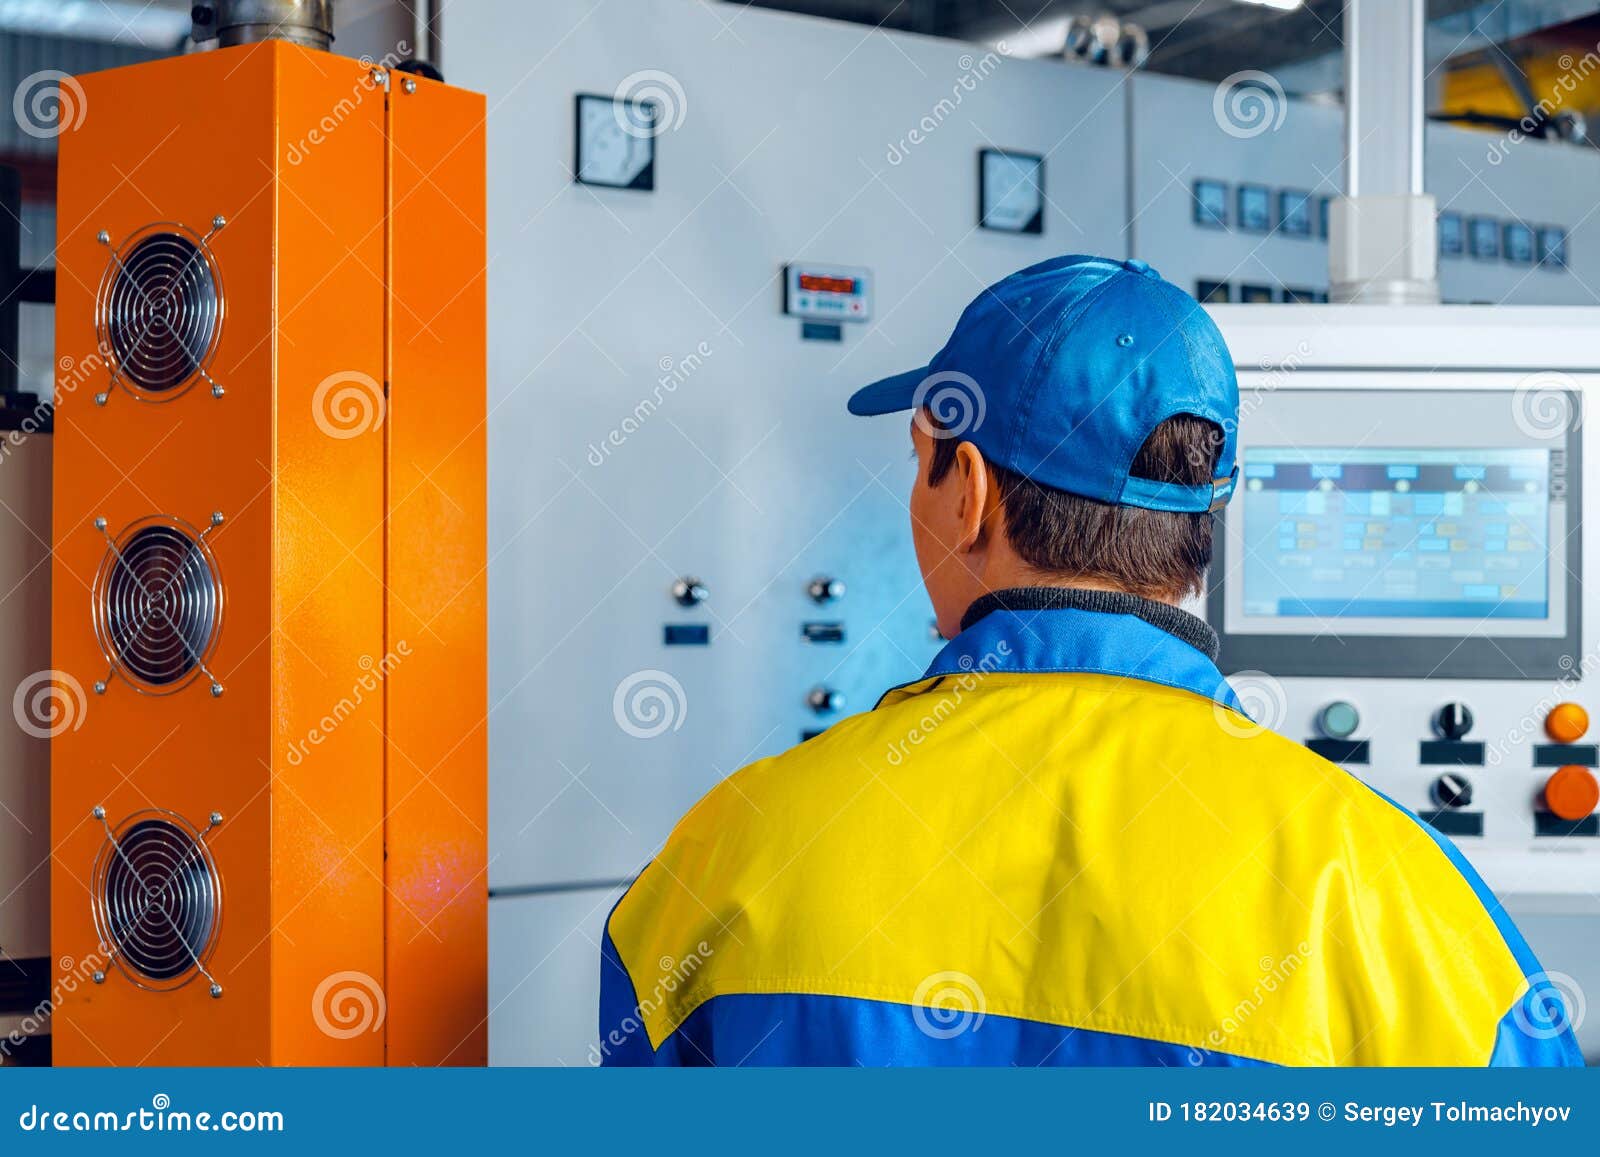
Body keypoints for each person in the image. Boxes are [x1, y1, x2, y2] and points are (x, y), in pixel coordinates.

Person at [598, 255, 1582, 1067]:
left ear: (967, 490)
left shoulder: (732, 848)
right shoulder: (1389, 890)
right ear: (1208, 515)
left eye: (919, 458)